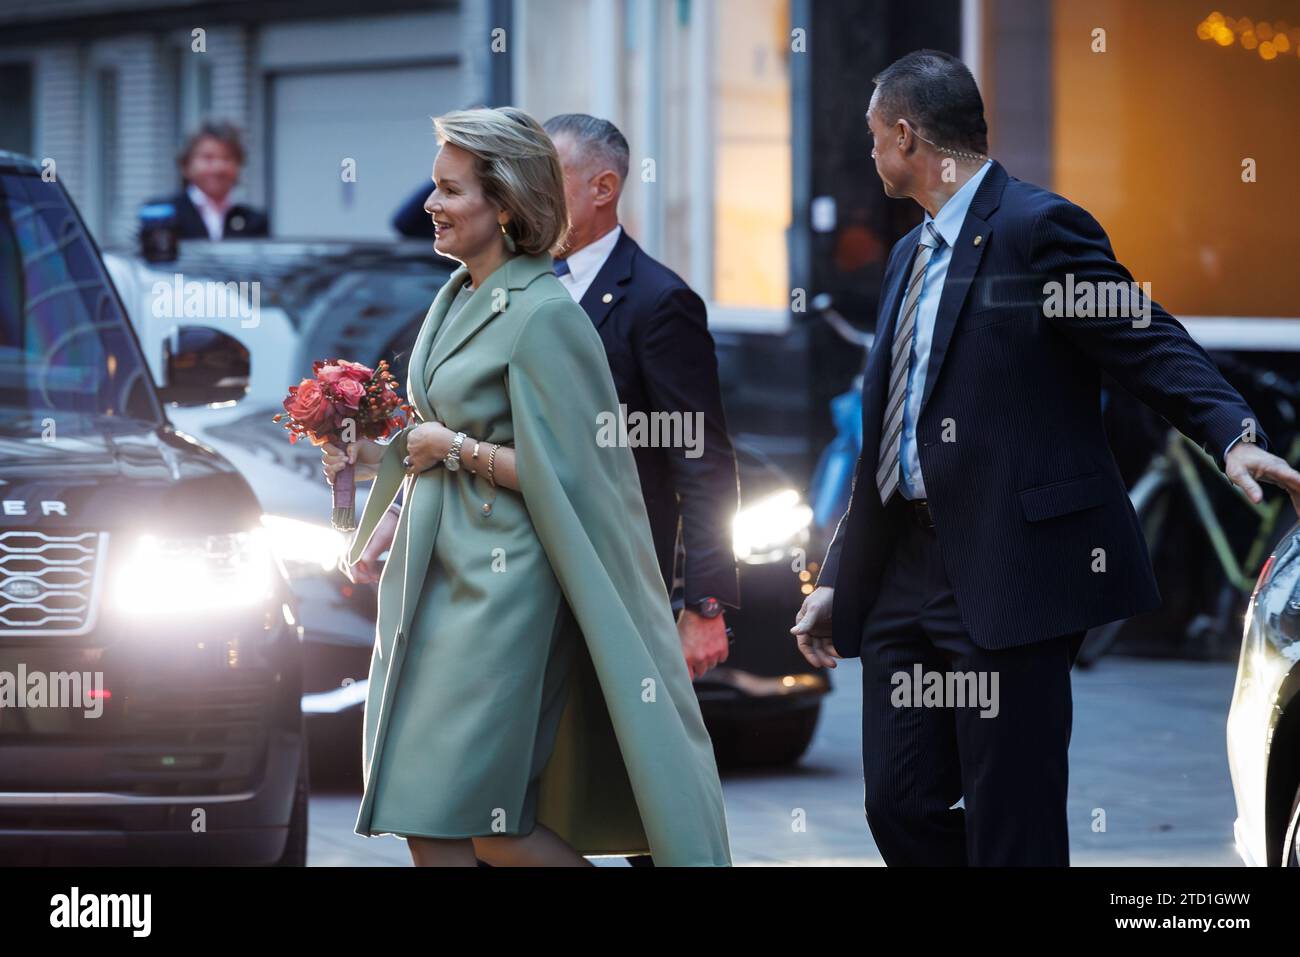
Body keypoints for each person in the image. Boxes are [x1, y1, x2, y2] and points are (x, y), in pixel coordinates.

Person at [789, 49, 1300, 867]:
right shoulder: (906, 255)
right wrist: (841, 578)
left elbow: (1141, 333)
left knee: (1012, 816)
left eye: (874, 135)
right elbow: (889, 437)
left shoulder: (1036, 230)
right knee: (898, 805)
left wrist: (1231, 434)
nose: (870, 150)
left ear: (907, 135)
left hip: (1008, 567)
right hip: (906, 575)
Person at [321, 106, 730, 867]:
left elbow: (576, 475)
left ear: (504, 205)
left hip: (506, 591)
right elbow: (435, 434)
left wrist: (457, 448)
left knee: (480, 817)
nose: (430, 207)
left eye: (449, 191)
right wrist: (364, 469)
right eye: (435, 189)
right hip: (437, 576)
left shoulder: (547, 314)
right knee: (423, 808)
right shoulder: (455, 295)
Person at [362, 114, 740, 682]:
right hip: (494, 566)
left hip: (600, 566)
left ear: (603, 188)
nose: (525, 188)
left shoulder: (660, 303)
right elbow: (465, 419)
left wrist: (705, 604)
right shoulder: (494, 283)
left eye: (544, 175)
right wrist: (393, 511)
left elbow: (699, 456)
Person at [145, 121, 268, 240]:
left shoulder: (253, 221)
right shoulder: (163, 215)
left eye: (227, 158)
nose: (218, 167)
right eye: (208, 158)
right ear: (186, 164)